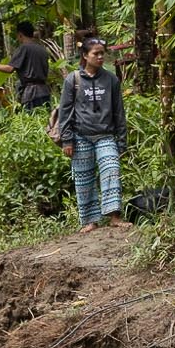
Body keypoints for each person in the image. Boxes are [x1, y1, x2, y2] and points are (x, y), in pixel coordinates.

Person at [55, 38, 128, 231]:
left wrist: (121, 141)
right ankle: (90, 221)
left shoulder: (111, 79)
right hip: (80, 136)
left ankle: (114, 216)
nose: (100, 57)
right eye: (96, 53)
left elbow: (119, 112)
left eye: (102, 53)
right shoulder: (73, 79)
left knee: (112, 168)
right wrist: (67, 139)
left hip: (105, 135)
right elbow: (65, 111)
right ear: (85, 56)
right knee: (83, 178)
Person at [0, 20, 56, 111]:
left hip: (31, 93)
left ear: (20, 35)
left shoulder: (23, 48)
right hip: (45, 91)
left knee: (31, 120)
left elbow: (10, 69)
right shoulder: (42, 49)